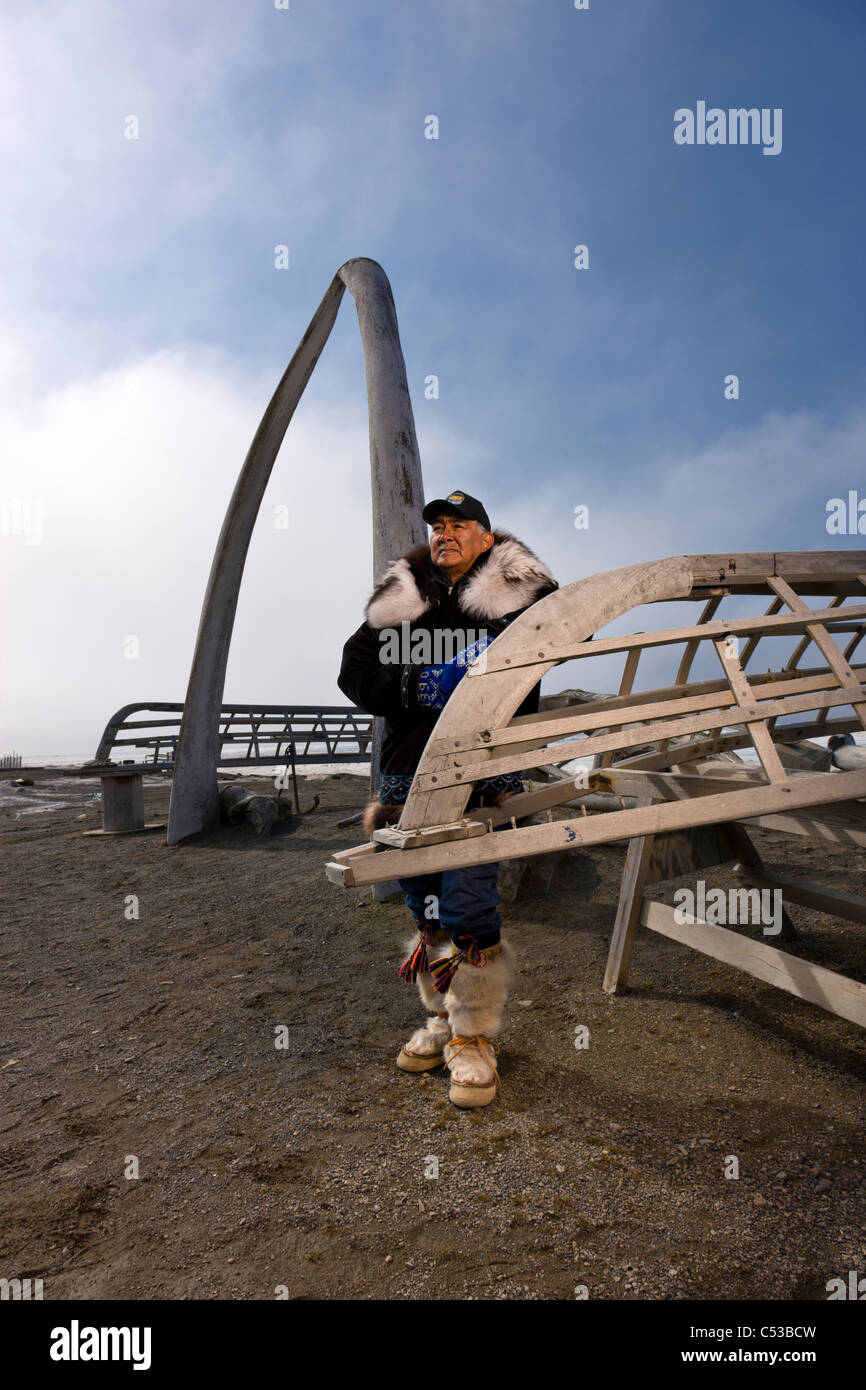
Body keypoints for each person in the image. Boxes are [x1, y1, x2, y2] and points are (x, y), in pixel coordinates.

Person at [338, 490, 557, 1106]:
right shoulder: (404, 602)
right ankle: (440, 1021)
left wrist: (479, 672)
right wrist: (415, 681)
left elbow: (543, 650)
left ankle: (473, 1038)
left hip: (479, 770)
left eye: (460, 524)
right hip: (408, 773)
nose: (445, 533)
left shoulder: (519, 599)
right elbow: (353, 672)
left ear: (487, 538)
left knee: (467, 900)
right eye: (437, 525)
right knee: (423, 903)